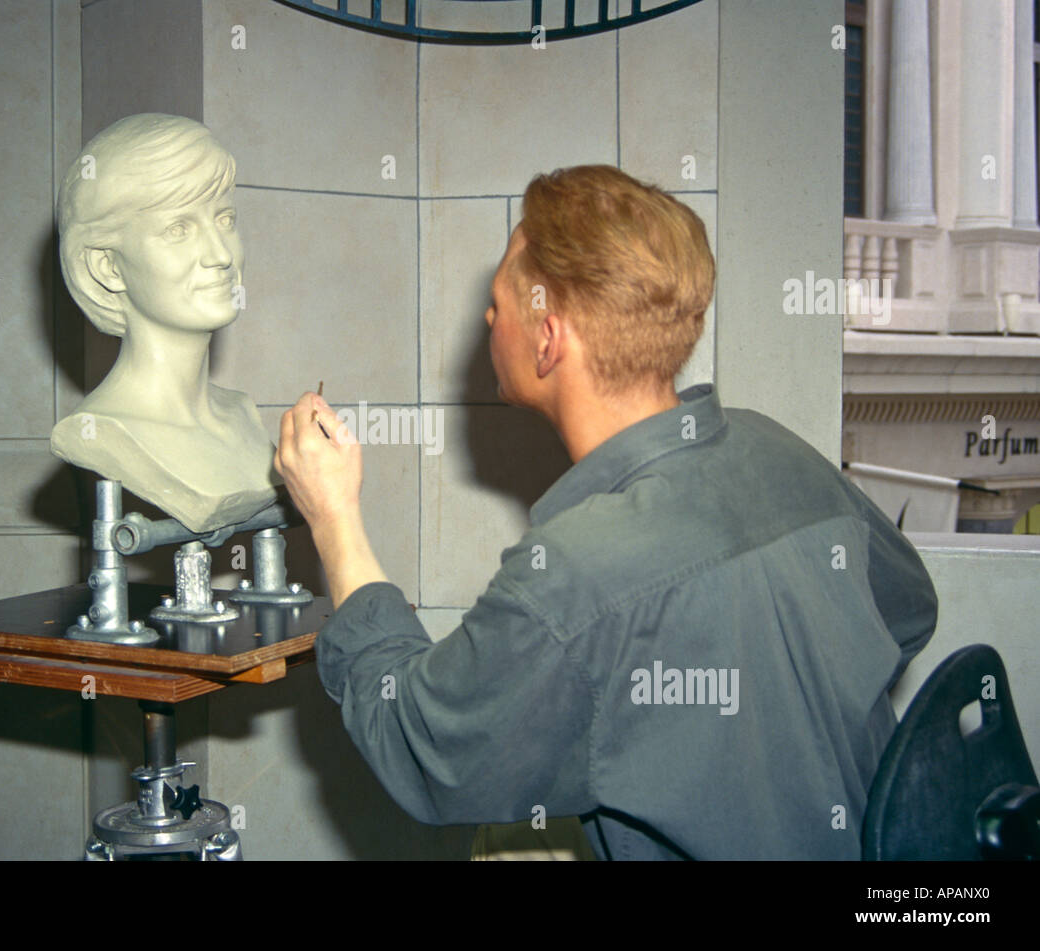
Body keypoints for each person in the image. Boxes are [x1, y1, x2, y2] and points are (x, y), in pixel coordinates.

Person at [273, 164, 938, 860]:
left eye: (499, 301)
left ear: (548, 340)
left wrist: (333, 515)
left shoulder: (573, 574)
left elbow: (419, 740)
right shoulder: (776, 449)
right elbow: (909, 608)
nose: (488, 317)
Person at [53, 114, 280, 532]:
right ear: (108, 267)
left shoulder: (241, 414)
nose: (221, 254)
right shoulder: (102, 432)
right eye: (179, 229)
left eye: (225, 220)